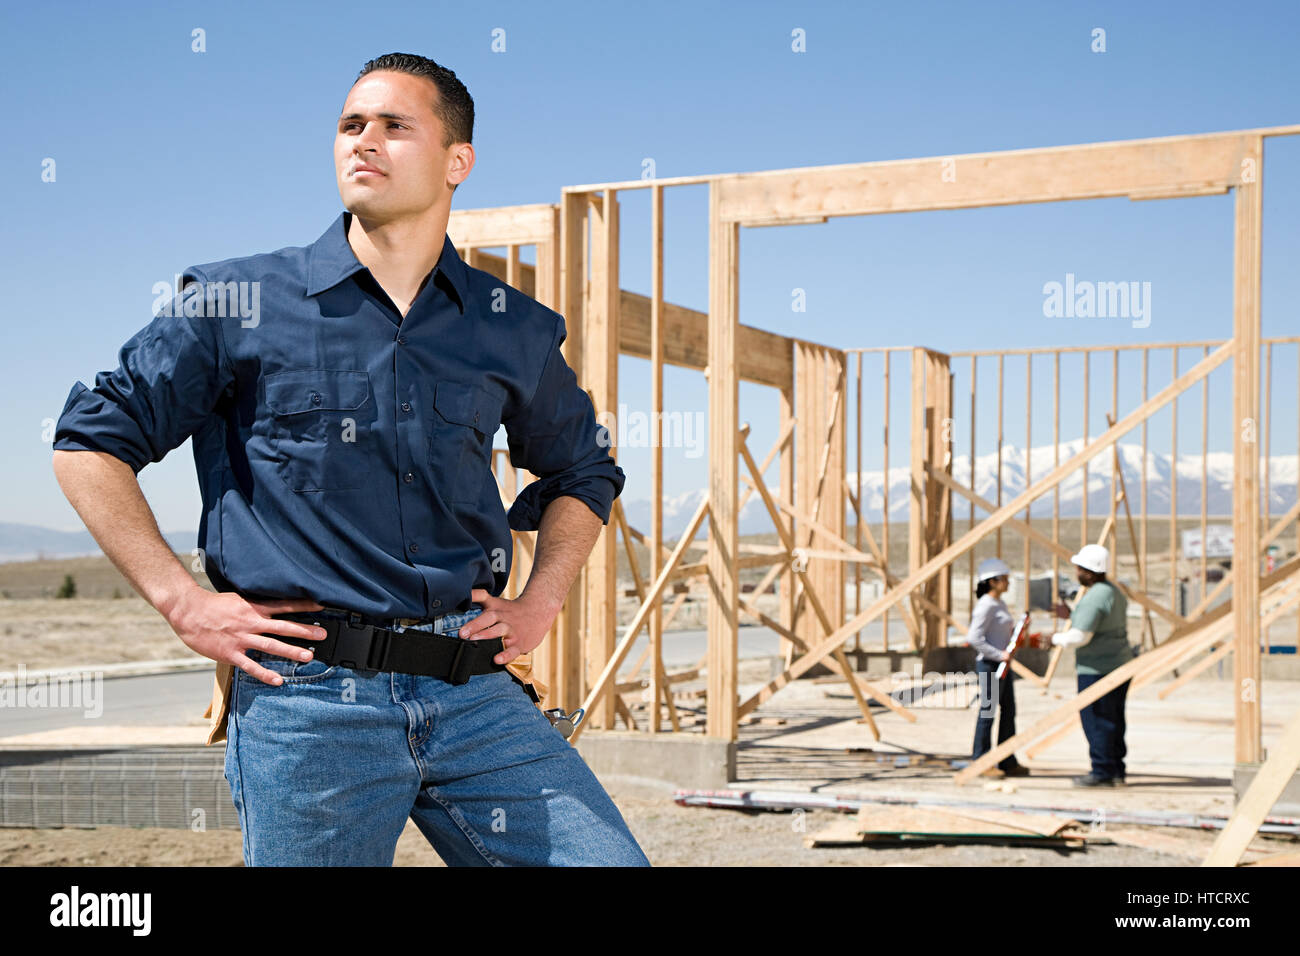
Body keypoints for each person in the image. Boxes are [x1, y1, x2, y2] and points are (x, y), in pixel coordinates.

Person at [50, 52, 650, 866]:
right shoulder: (237, 303)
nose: (363, 140)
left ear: (457, 162)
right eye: (349, 124)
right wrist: (180, 602)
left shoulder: (510, 326)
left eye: (394, 125)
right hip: (307, 702)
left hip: (472, 690)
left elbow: (583, 470)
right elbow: (90, 440)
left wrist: (543, 599)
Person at [1051, 544, 1133, 787]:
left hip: (1097, 669)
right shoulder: (1113, 592)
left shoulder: (1095, 597)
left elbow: (1081, 636)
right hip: (1118, 665)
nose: (1077, 572)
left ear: (1090, 571)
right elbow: (1100, 623)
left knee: (1096, 720)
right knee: (1114, 719)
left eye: (1080, 569)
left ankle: (1102, 771)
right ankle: (1116, 769)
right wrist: (1072, 615)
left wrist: (1053, 639)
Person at [967, 557, 1029, 777]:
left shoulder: (999, 603)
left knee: (1009, 711)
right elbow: (974, 637)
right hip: (990, 665)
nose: (1008, 583)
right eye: (1004, 579)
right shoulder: (986, 605)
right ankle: (981, 761)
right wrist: (998, 654)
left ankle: (1006, 759)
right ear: (992, 581)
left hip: (1002, 664)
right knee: (989, 712)